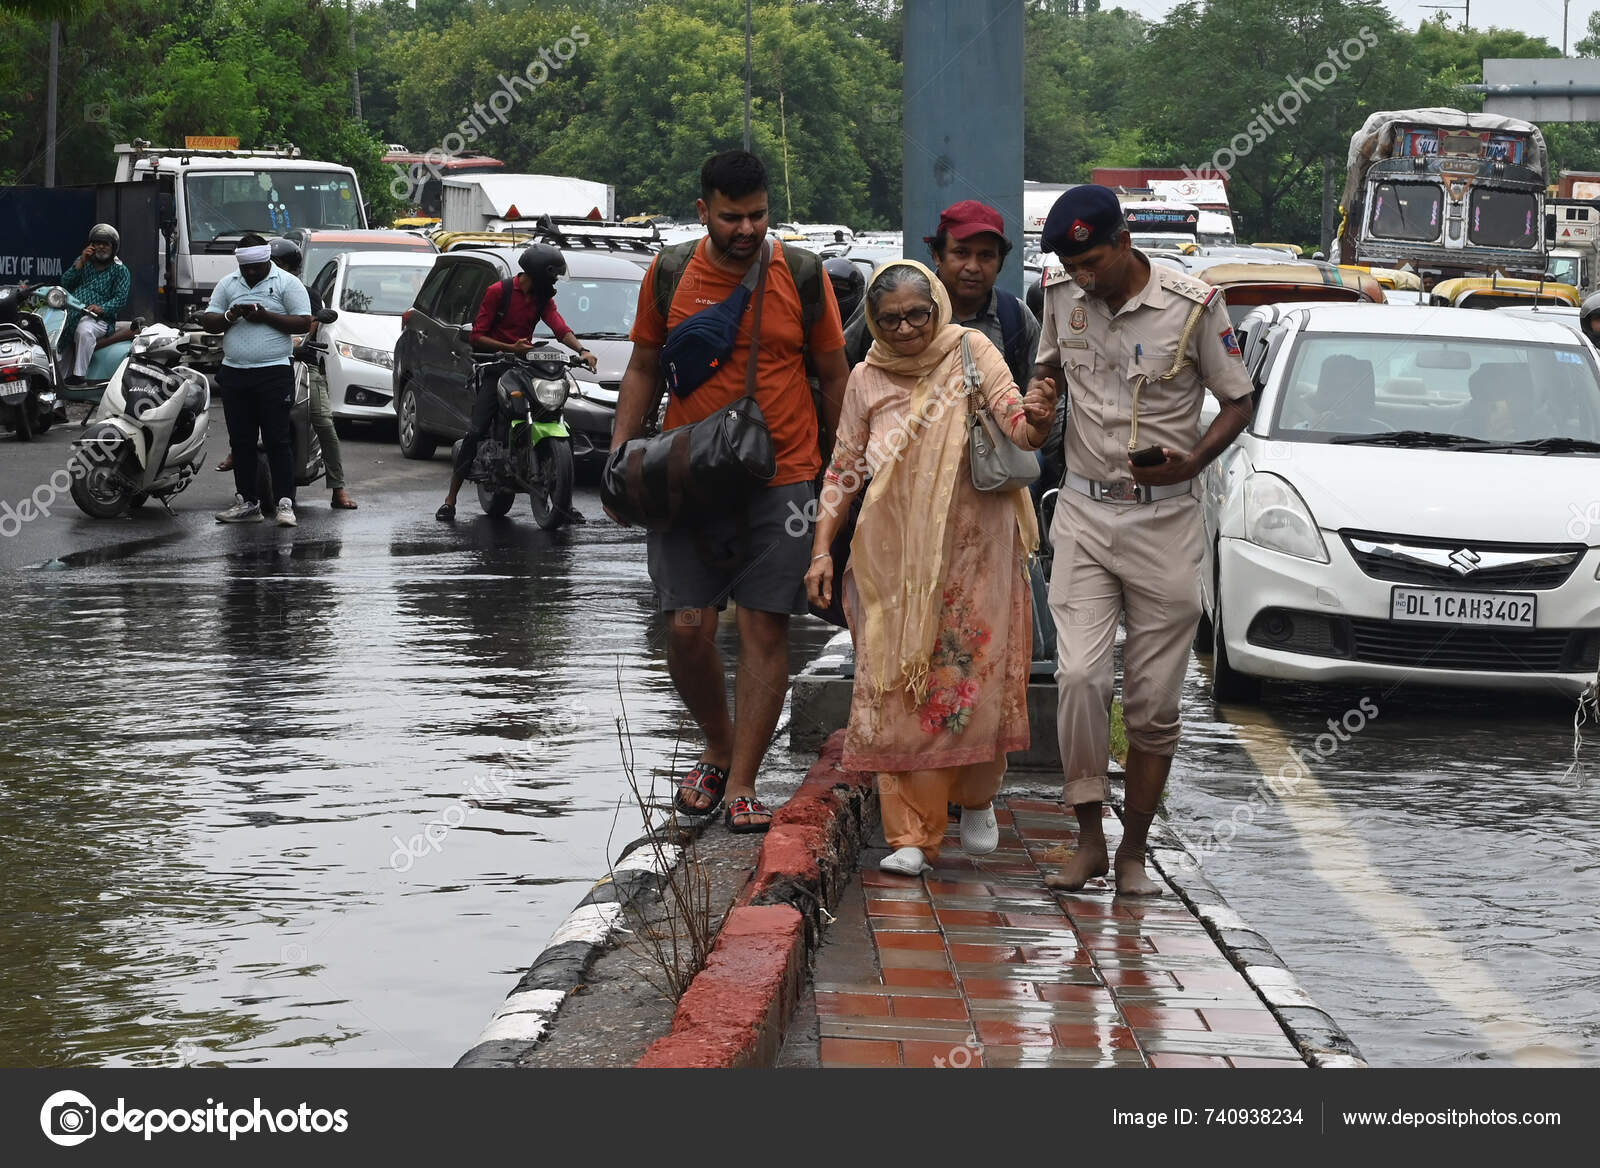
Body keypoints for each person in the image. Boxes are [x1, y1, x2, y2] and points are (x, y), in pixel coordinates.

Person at [608, 150, 849, 832]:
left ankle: (742, 782)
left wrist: (845, 473)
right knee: (687, 627)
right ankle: (717, 744)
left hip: (786, 475)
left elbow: (835, 378)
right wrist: (621, 459)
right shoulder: (671, 272)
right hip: (688, 476)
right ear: (704, 211)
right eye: (732, 217)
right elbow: (645, 367)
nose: (747, 229)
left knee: (763, 625)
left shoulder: (800, 274)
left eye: (759, 215)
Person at [1034, 185, 1255, 896]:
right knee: (1080, 679)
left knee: (1154, 701)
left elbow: (1238, 399)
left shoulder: (1193, 305)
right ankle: (1089, 840)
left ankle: (1134, 850)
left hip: (1166, 520)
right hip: (1083, 514)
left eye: (1092, 259)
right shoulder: (1059, 294)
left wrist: (1195, 459)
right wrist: (1039, 395)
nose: (1084, 275)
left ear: (1123, 240)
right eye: (1072, 263)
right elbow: (1047, 367)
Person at [806, 261, 1056, 874]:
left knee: (969, 682)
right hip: (891, 562)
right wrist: (819, 550)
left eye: (918, 313)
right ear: (874, 322)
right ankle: (911, 836)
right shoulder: (866, 378)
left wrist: (1040, 418)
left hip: (976, 555)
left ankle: (975, 798)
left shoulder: (972, 351)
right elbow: (843, 469)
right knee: (894, 686)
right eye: (890, 319)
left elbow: (1016, 428)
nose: (907, 329)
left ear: (937, 306)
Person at [435, 243, 597, 521]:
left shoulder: (542, 297)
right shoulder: (499, 292)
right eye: (553, 275)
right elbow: (477, 336)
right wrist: (511, 348)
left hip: (525, 366)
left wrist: (582, 351)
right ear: (538, 272)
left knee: (558, 420)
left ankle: (564, 503)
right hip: (496, 366)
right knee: (476, 431)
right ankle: (450, 500)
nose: (555, 281)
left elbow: (559, 326)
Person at [200, 234, 313, 527]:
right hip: (235, 372)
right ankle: (248, 502)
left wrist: (266, 317)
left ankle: (284, 503)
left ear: (267, 260)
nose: (250, 273)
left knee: (277, 439)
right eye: (245, 268)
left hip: (273, 371)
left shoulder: (287, 283)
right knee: (241, 442)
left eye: (256, 267)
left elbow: (303, 322)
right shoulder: (228, 284)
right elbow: (209, 321)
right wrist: (230, 315)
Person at [270, 237, 357, 510]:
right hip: (270, 362)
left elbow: (312, 324)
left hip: (303, 363)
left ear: (291, 267)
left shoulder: (308, 294)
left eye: (278, 264)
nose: (272, 268)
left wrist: (300, 339)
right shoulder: (263, 292)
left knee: (323, 421)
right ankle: (237, 455)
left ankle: (338, 488)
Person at [59, 223, 131, 387]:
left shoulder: (120, 270)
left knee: (84, 330)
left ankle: (79, 377)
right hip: (72, 315)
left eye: (105, 244)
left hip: (99, 320)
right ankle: (57, 394)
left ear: (113, 247)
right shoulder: (84, 262)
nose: (101, 247)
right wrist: (81, 261)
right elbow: (65, 284)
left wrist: (102, 308)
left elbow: (120, 299)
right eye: (97, 243)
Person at [823, 256, 865, 326]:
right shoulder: (812, 316)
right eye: (828, 285)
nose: (833, 289)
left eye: (841, 285)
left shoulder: (862, 324)